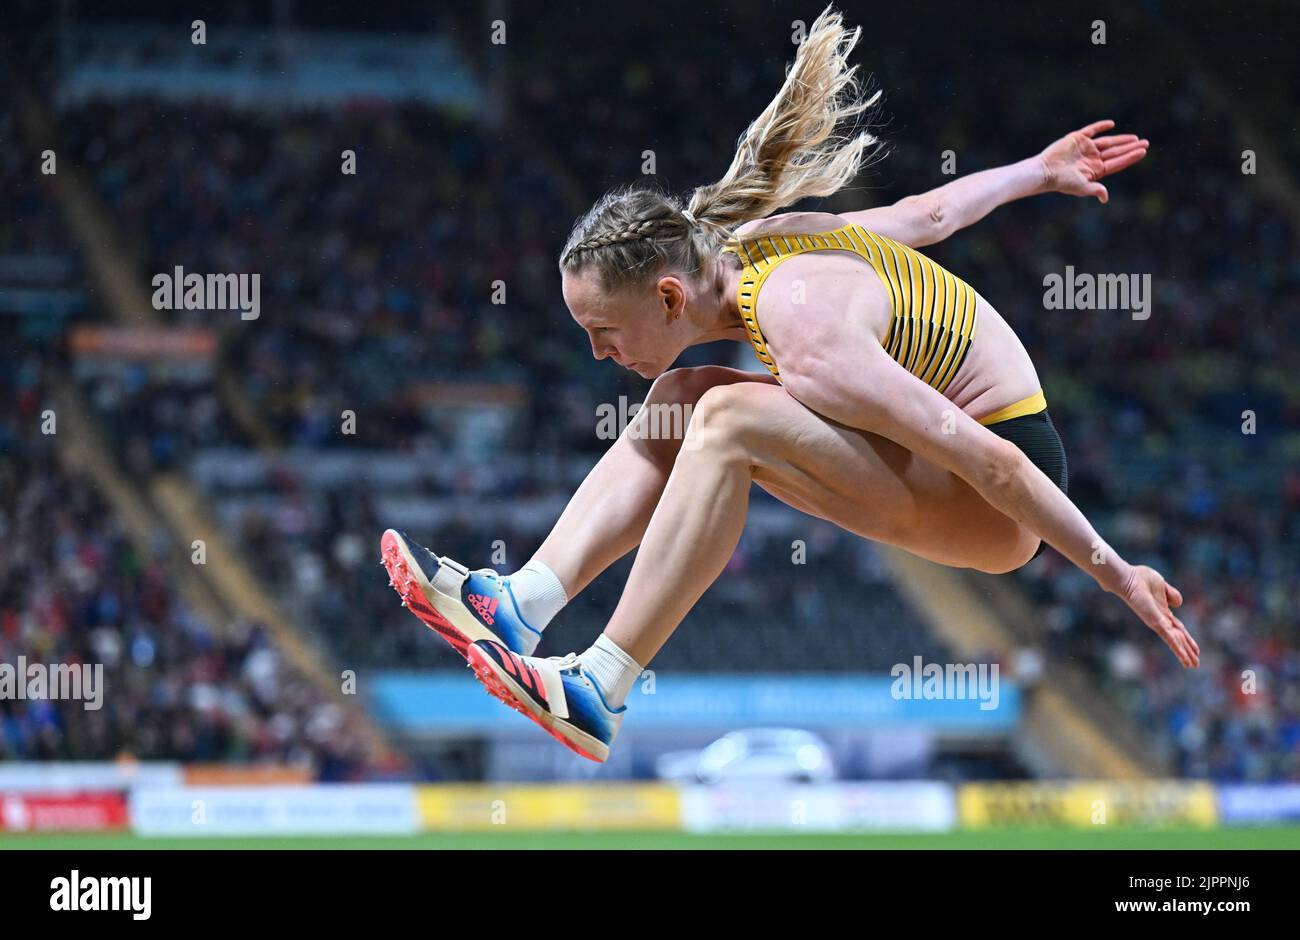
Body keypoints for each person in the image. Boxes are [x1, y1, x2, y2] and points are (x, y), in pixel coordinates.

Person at [380, 5, 1198, 762]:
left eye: (604, 332)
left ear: (669, 296)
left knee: (727, 418)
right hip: (950, 459)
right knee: (683, 401)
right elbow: (926, 217)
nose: (599, 355)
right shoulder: (761, 243)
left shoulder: (806, 333)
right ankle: (517, 606)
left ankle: (599, 689)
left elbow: (996, 464)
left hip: (993, 502)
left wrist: (1116, 573)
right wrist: (1036, 170)